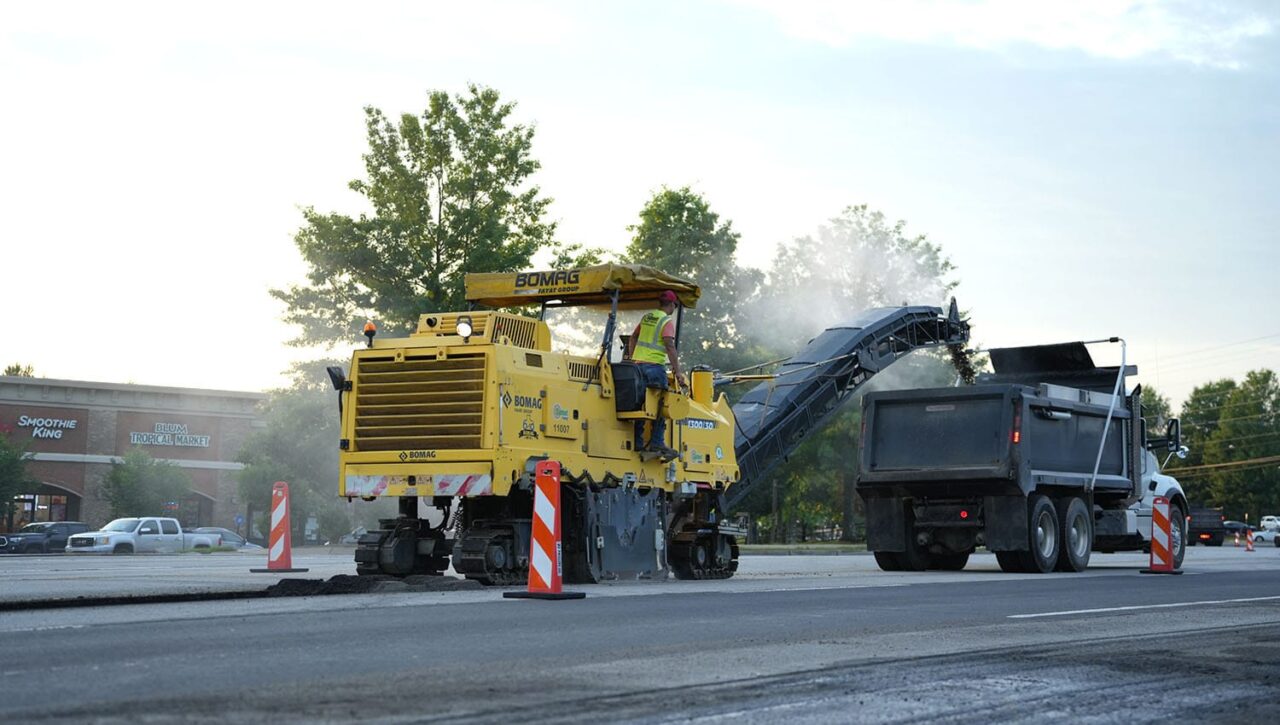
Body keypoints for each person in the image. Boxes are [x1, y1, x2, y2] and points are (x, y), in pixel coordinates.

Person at [625, 289, 687, 459]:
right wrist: (678, 371)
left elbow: (633, 338)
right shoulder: (666, 321)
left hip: (637, 367)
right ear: (673, 305)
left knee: (641, 404)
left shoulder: (647, 317)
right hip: (654, 368)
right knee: (662, 405)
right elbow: (669, 345)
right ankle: (656, 442)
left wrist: (632, 358)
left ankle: (638, 441)